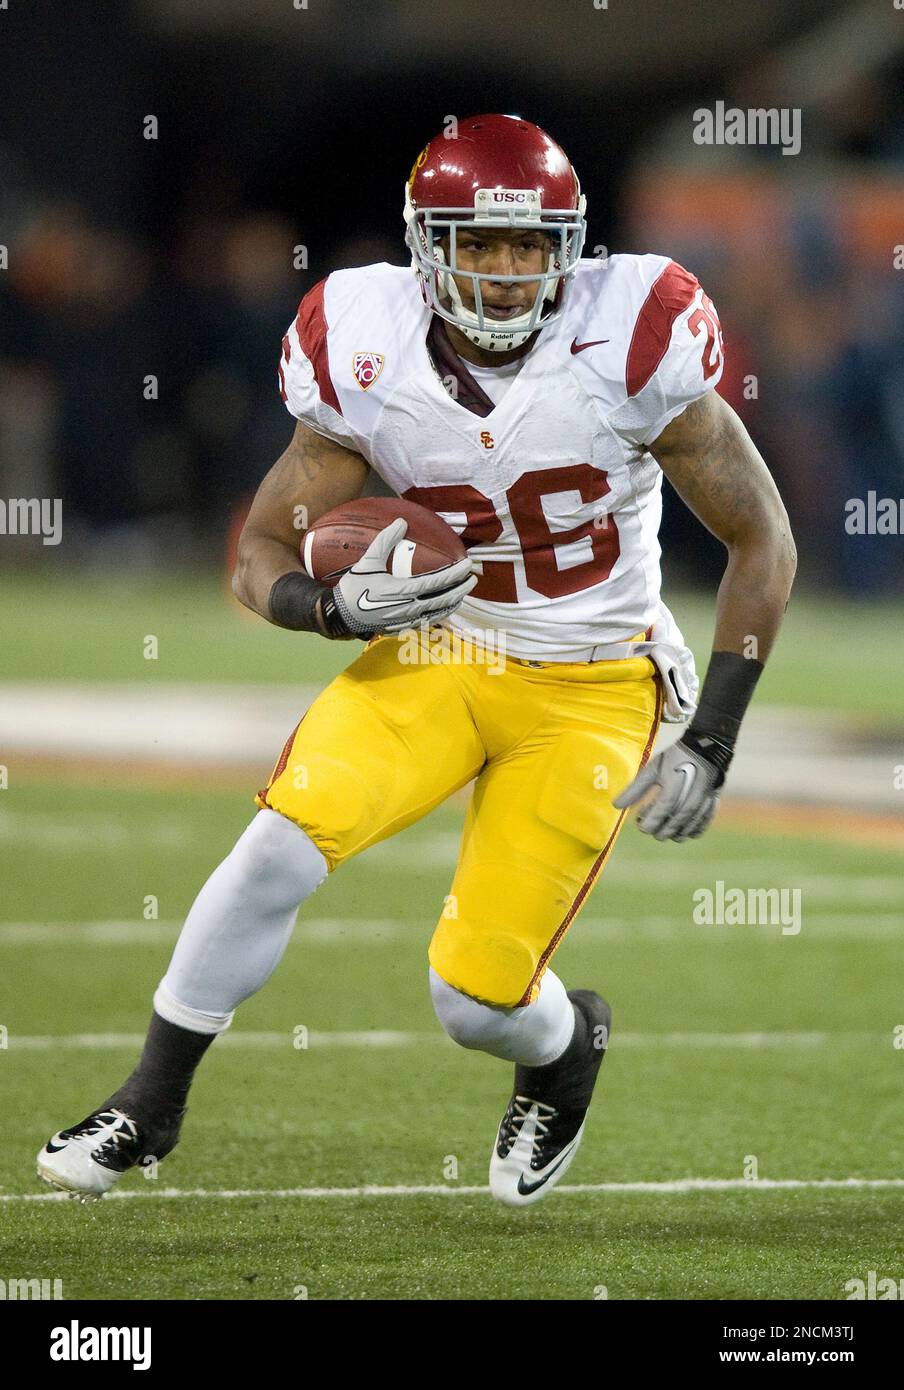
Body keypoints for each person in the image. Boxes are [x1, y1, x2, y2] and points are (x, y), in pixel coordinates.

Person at [38, 114, 796, 1207]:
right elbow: (255, 550)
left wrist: (713, 737)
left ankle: (564, 1044)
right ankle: (149, 1101)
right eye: (475, 244)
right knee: (276, 847)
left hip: (591, 678)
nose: (501, 271)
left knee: (473, 1001)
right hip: (438, 650)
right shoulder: (363, 341)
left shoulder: (635, 335)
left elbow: (760, 536)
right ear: (423, 244)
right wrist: (326, 607)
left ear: (566, 248)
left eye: (527, 245)